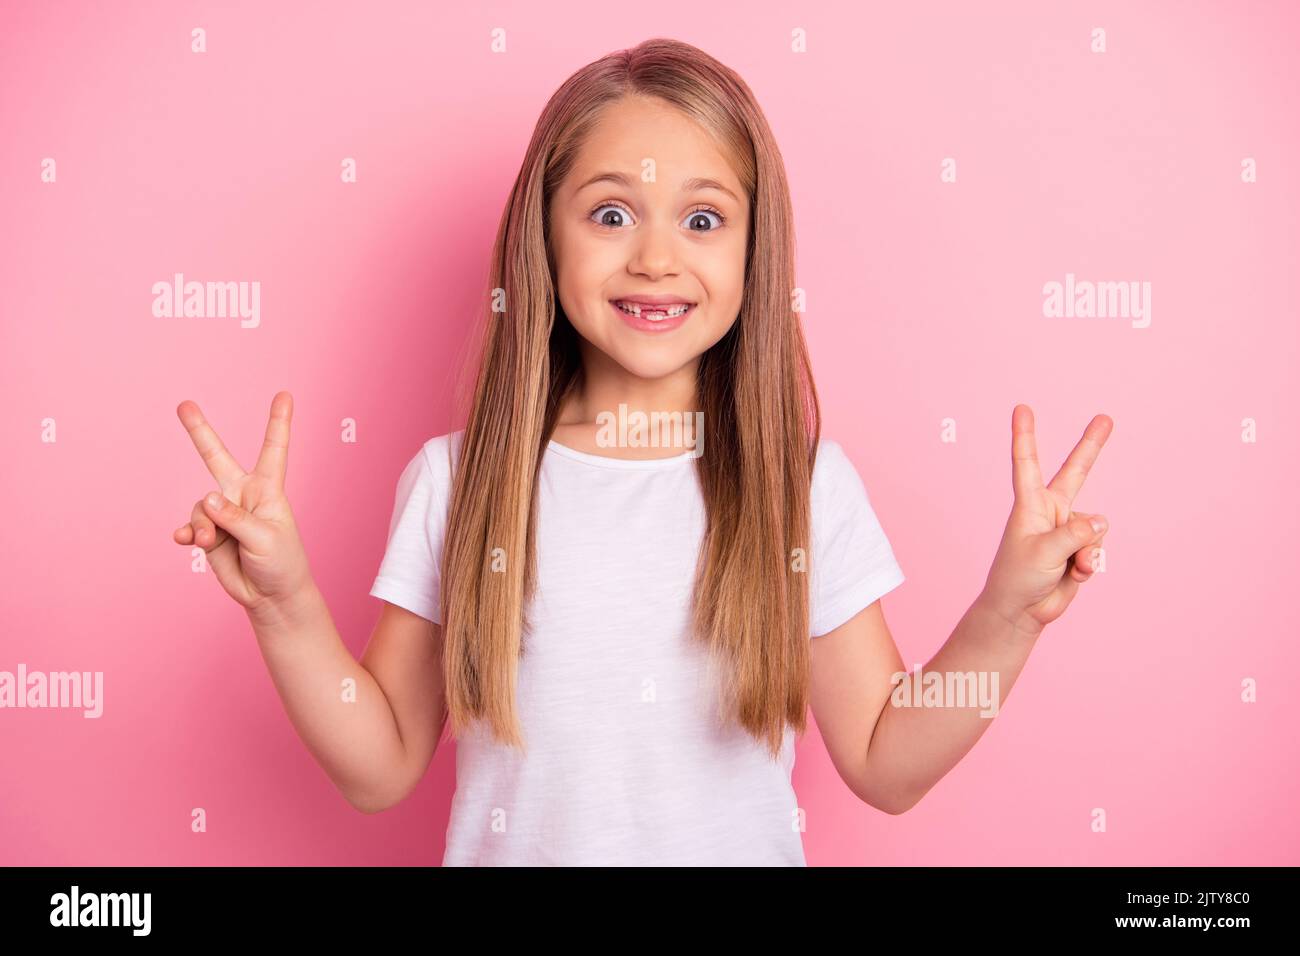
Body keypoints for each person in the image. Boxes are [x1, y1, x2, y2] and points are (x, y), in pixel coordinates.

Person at [172, 37, 1113, 866]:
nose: (656, 258)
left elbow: (885, 759)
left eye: (702, 219)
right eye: (612, 214)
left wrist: (1008, 616)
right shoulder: (457, 484)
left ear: (754, 251)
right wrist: (287, 608)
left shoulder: (803, 489)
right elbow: (379, 770)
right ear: (545, 237)